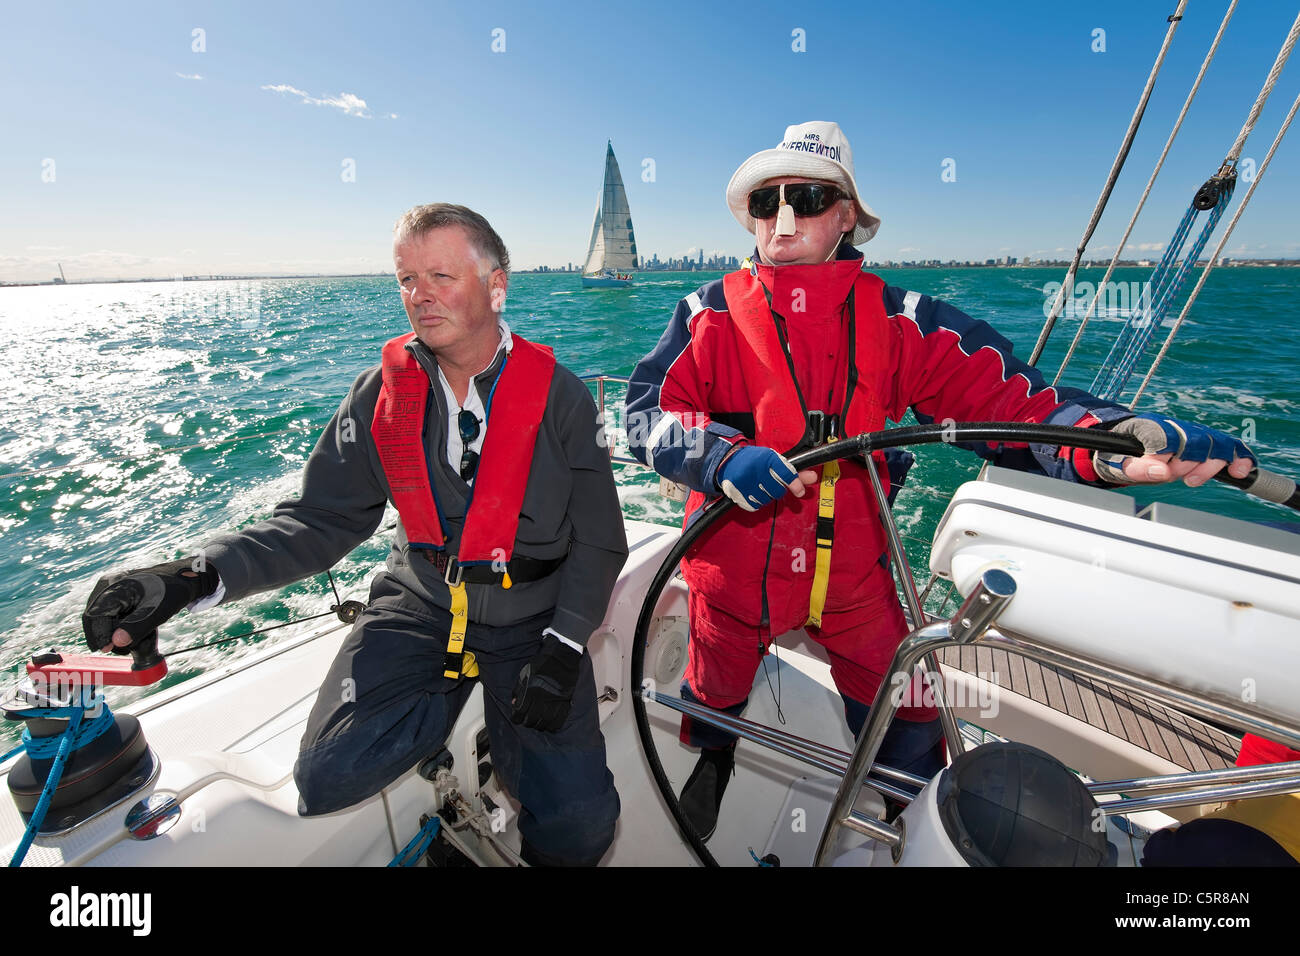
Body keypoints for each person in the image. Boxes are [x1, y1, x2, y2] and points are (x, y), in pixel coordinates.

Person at [625, 121, 1257, 841]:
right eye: (768, 203)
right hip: (731, 573)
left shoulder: (901, 322)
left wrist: (1112, 444)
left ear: (847, 216)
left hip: (855, 579)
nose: (785, 220)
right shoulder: (705, 315)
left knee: (910, 705)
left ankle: (913, 813)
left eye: (808, 198)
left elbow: (1012, 404)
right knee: (715, 685)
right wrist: (718, 456)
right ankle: (715, 756)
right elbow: (644, 412)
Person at [82, 203, 627, 866]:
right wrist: (194, 577)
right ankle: (464, 715)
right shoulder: (379, 396)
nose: (419, 295)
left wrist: (565, 645)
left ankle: (507, 732)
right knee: (328, 773)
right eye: (406, 280)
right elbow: (319, 518)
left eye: (440, 276)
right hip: (421, 604)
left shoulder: (563, 398)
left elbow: (600, 540)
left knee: (580, 825)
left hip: (534, 621)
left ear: (495, 286)